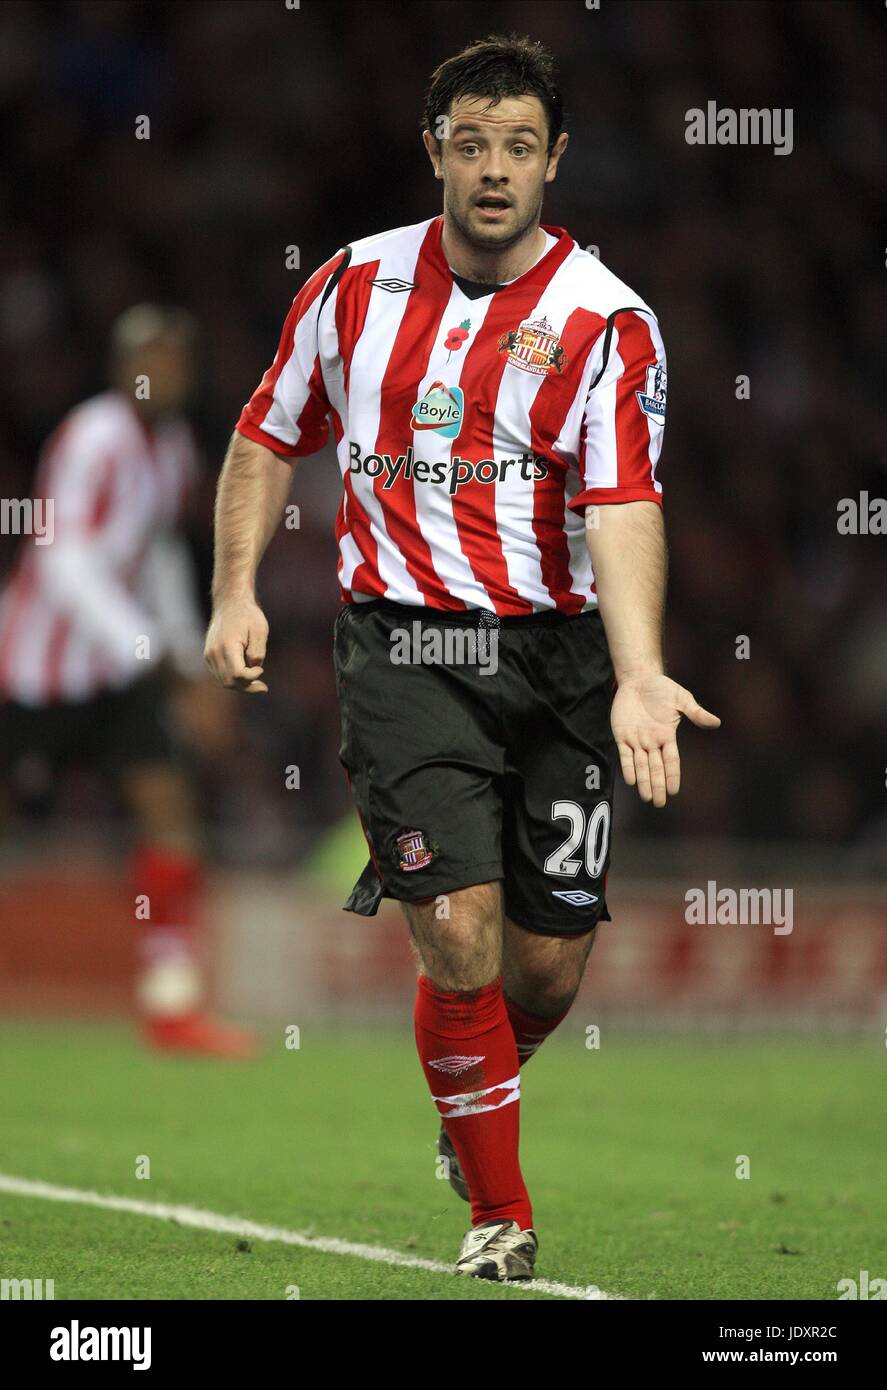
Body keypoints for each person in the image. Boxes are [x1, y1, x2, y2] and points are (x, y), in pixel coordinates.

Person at [205, 34, 720, 1278]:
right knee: (457, 927)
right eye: (472, 143)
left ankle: (471, 1098)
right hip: (405, 649)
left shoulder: (609, 322)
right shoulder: (348, 287)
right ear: (434, 147)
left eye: (519, 147)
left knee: (544, 965)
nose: (494, 170)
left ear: (555, 161)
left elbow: (622, 503)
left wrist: (640, 669)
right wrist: (232, 589)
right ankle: (499, 1213)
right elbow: (268, 433)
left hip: (562, 661)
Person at [0, 305, 257, 1058]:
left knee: (170, 809)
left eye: (177, 361)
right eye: (151, 359)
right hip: (32, 671)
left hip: (118, 671)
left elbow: (159, 562)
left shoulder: (171, 448)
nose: (164, 374)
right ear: (122, 368)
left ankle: (171, 1005)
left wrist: (187, 654)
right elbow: (62, 560)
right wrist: (155, 656)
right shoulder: (92, 438)